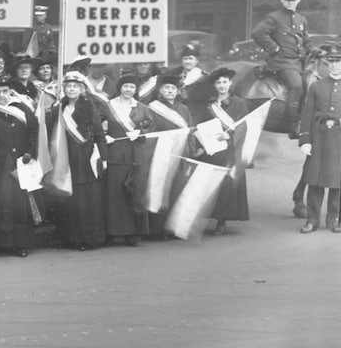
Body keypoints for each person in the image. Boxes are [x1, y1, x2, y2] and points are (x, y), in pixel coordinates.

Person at [49, 68, 108, 250]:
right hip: (66, 158)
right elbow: (51, 132)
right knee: (69, 199)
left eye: (75, 86)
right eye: (68, 86)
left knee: (86, 199)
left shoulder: (89, 106)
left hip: (85, 157)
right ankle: (70, 237)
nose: (72, 89)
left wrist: (104, 157)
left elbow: (98, 134)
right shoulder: (59, 107)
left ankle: (87, 238)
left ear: (82, 88)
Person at [0, 73, 40, 257]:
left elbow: (34, 132)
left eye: (5, 91)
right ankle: (0, 244)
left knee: (19, 204)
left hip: (19, 164)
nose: (1, 95)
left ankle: (21, 244)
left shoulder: (22, 109)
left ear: (10, 92)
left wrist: (30, 152)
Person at [195, 67, 249, 235]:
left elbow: (244, 126)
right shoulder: (209, 104)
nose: (222, 85)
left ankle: (221, 220)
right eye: (218, 82)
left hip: (230, 150)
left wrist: (230, 137)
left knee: (226, 183)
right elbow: (201, 125)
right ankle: (208, 216)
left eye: (225, 82)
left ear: (230, 83)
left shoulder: (239, 103)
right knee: (211, 183)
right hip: (213, 150)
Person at [102, 74, 154, 246]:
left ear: (135, 90)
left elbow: (150, 126)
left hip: (135, 155)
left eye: (132, 87)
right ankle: (112, 232)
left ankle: (132, 233)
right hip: (114, 155)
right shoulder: (109, 106)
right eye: (125, 86)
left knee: (133, 195)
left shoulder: (142, 107)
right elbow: (99, 125)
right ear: (120, 88)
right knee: (114, 195)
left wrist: (140, 132)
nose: (128, 90)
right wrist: (105, 136)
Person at [252, 0, 308, 137]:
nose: (291, 3)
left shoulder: (301, 19)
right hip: (281, 62)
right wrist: (274, 48)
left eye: (294, 0)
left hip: (298, 61)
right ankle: (293, 124)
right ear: (282, 1)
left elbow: (306, 40)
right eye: (288, 0)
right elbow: (258, 33)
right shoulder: (274, 17)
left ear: (299, 0)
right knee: (296, 86)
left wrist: (314, 50)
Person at [297, 42, 341, 233]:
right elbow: (307, 114)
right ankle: (312, 220)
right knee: (314, 179)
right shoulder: (316, 86)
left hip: (339, 139)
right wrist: (305, 140)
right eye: (331, 61)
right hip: (318, 137)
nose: (334, 65)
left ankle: (334, 220)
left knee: (337, 180)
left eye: (338, 61)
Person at [144, 75, 193, 239]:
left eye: (173, 88)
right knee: (158, 189)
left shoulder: (184, 109)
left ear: (178, 91)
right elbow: (148, 130)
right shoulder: (152, 108)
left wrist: (191, 149)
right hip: (160, 154)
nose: (170, 91)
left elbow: (190, 131)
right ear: (160, 90)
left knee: (177, 189)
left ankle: (172, 228)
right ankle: (156, 230)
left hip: (180, 155)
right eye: (167, 88)